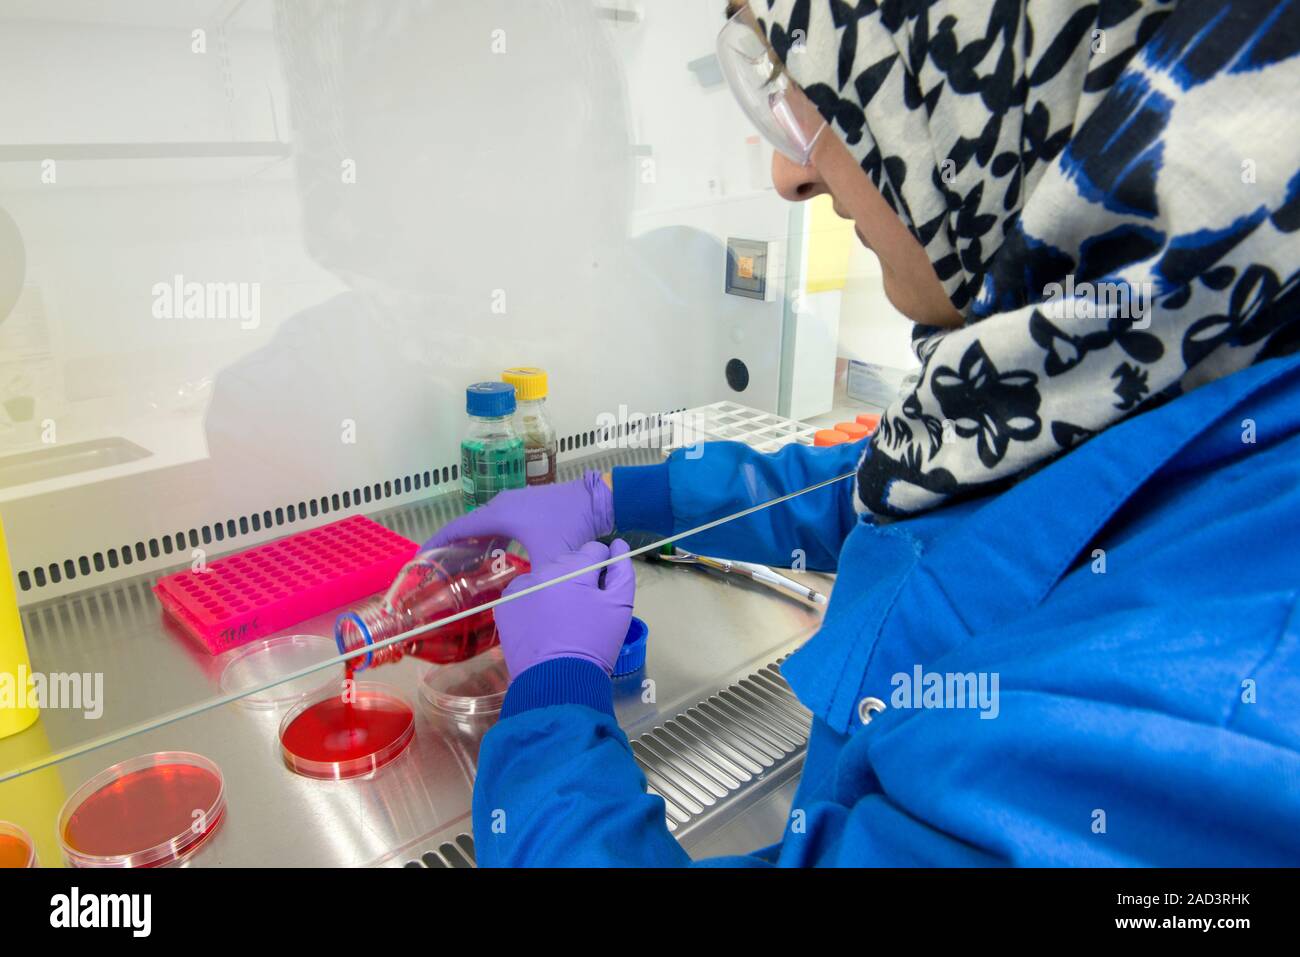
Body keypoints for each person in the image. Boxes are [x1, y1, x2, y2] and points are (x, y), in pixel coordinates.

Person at [432, 0, 1300, 865]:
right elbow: (895, 496)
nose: (786, 176)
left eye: (805, 81)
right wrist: (610, 496)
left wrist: (551, 703)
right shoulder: (1122, 382)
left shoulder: (1213, 703)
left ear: (997, 72)